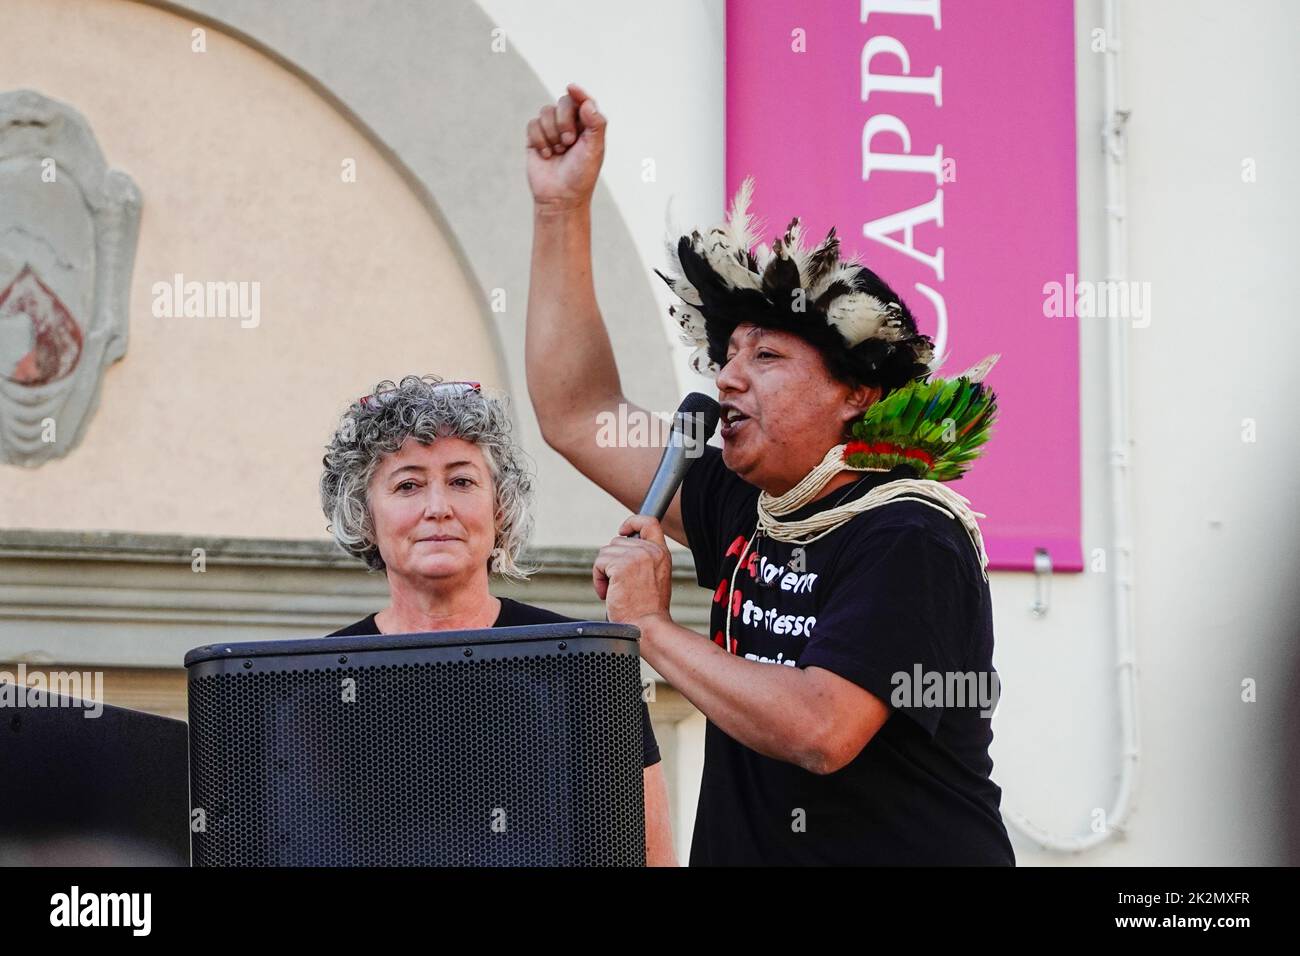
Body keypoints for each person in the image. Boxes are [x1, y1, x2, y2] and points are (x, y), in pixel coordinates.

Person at [524, 84, 1015, 864]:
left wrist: (650, 627)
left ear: (855, 395)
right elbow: (577, 411)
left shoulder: (909, 534)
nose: (727, 379)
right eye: (725, 357)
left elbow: (821, 729)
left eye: (767, 357)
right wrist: (560, 209)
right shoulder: (747, 503)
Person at [319, 375, 676, 866]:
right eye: (408, 485)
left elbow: (649, 856)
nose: (438, 508)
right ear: (363, 514)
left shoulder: (582, 662)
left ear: (500, 507)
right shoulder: (314, 680)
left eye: (462, 481)